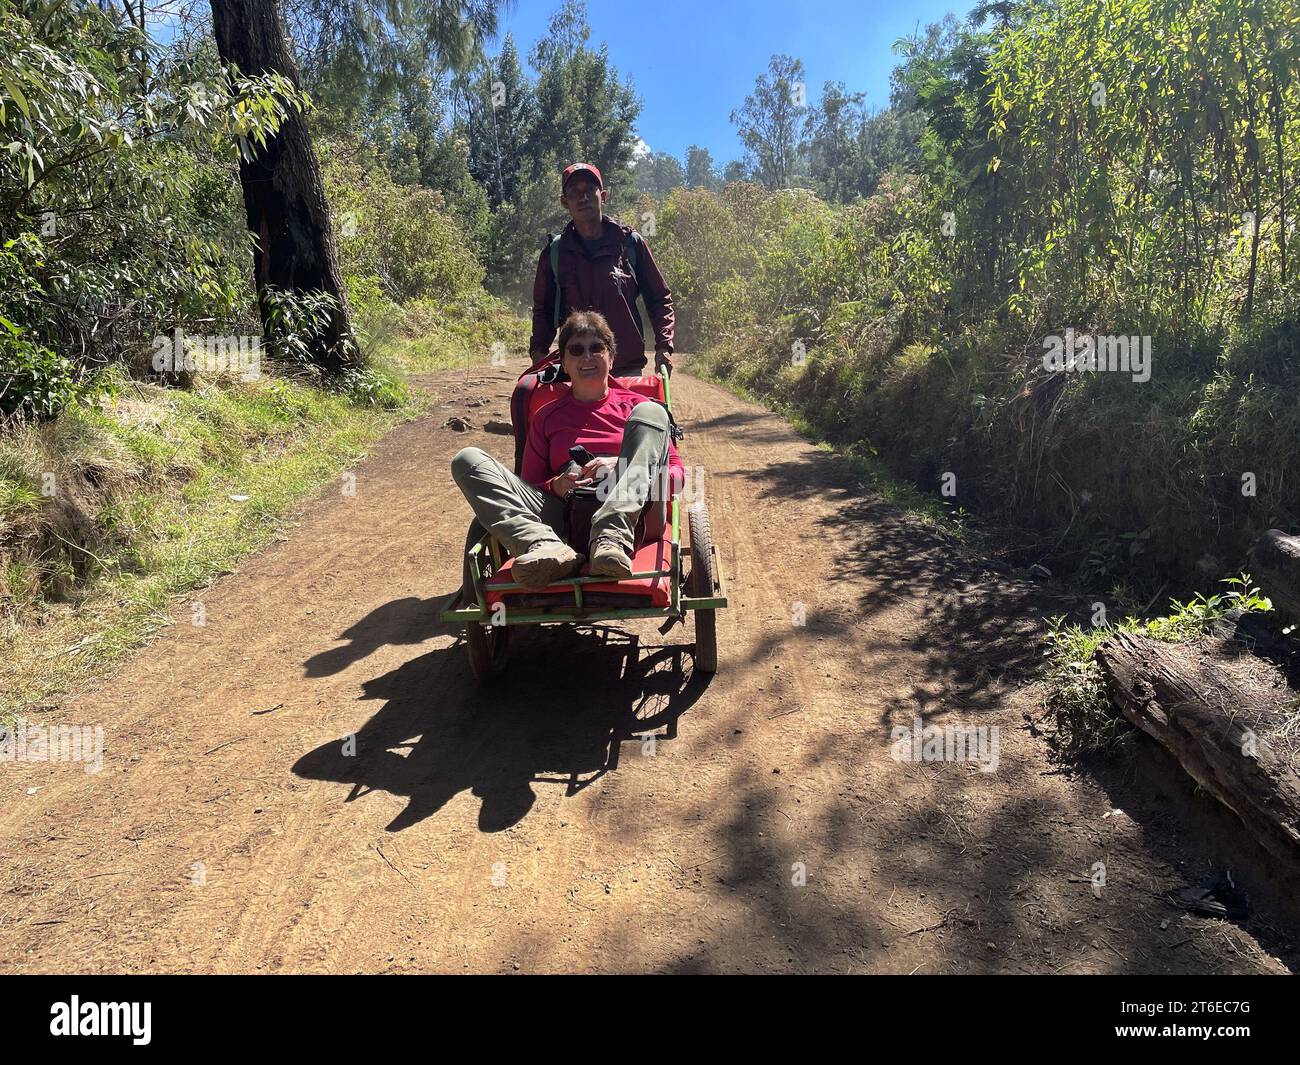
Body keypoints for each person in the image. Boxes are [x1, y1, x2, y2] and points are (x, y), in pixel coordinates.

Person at [453, 311, 684, 588]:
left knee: (651, 410)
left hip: (636, 517)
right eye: (576, 349)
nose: (587, 357)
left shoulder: (641, 409)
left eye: (597, 348)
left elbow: (679, 479)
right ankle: (543, 545)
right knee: (467, 460)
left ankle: (611, 537)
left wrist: (622, 467)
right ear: (564, 361)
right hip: (563, 518)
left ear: (611, 357)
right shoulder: (546, 416)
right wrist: (556, 485)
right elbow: (531, 485)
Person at [529, 162, 675, 376]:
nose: (583, 197)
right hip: (576, 370)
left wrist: (664, 346)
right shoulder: (555, 253)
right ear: (564, 201)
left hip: (626, 369)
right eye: (574, 192)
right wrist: (538, 352)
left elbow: (659, 298)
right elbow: (544, 310)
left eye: (590, 189)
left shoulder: (630, 244)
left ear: (603, 196)